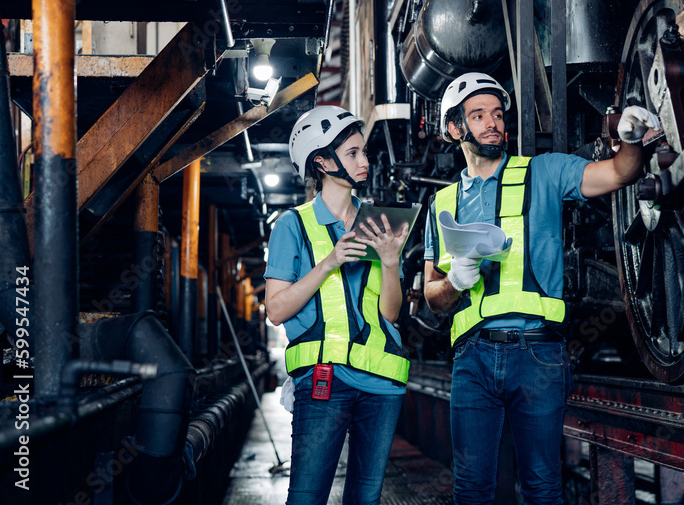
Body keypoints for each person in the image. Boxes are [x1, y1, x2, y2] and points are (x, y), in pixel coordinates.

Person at [423, 72, 659, 504]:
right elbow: (432, 296)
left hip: (538, 355)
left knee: (541, 487)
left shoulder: (545, 172)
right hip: (471, 359)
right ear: (455, 129)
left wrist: (631, 139)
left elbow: (619, 173)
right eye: (477, 115)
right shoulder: (441, 205)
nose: (492, 122)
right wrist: (456, 280)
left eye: (497, 113)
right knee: (471, 488)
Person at [265, 105, 411, 505]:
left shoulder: (379, 221)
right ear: (322, 162)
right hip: (323, 382)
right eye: (352, 154)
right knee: (306, 498)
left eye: (364, 152)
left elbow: (390, 314)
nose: (364, 161)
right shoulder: (291, 226)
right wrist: (328, 263)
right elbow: (275, 310)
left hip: (380, 383)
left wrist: (391, 262)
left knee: (365, 500)